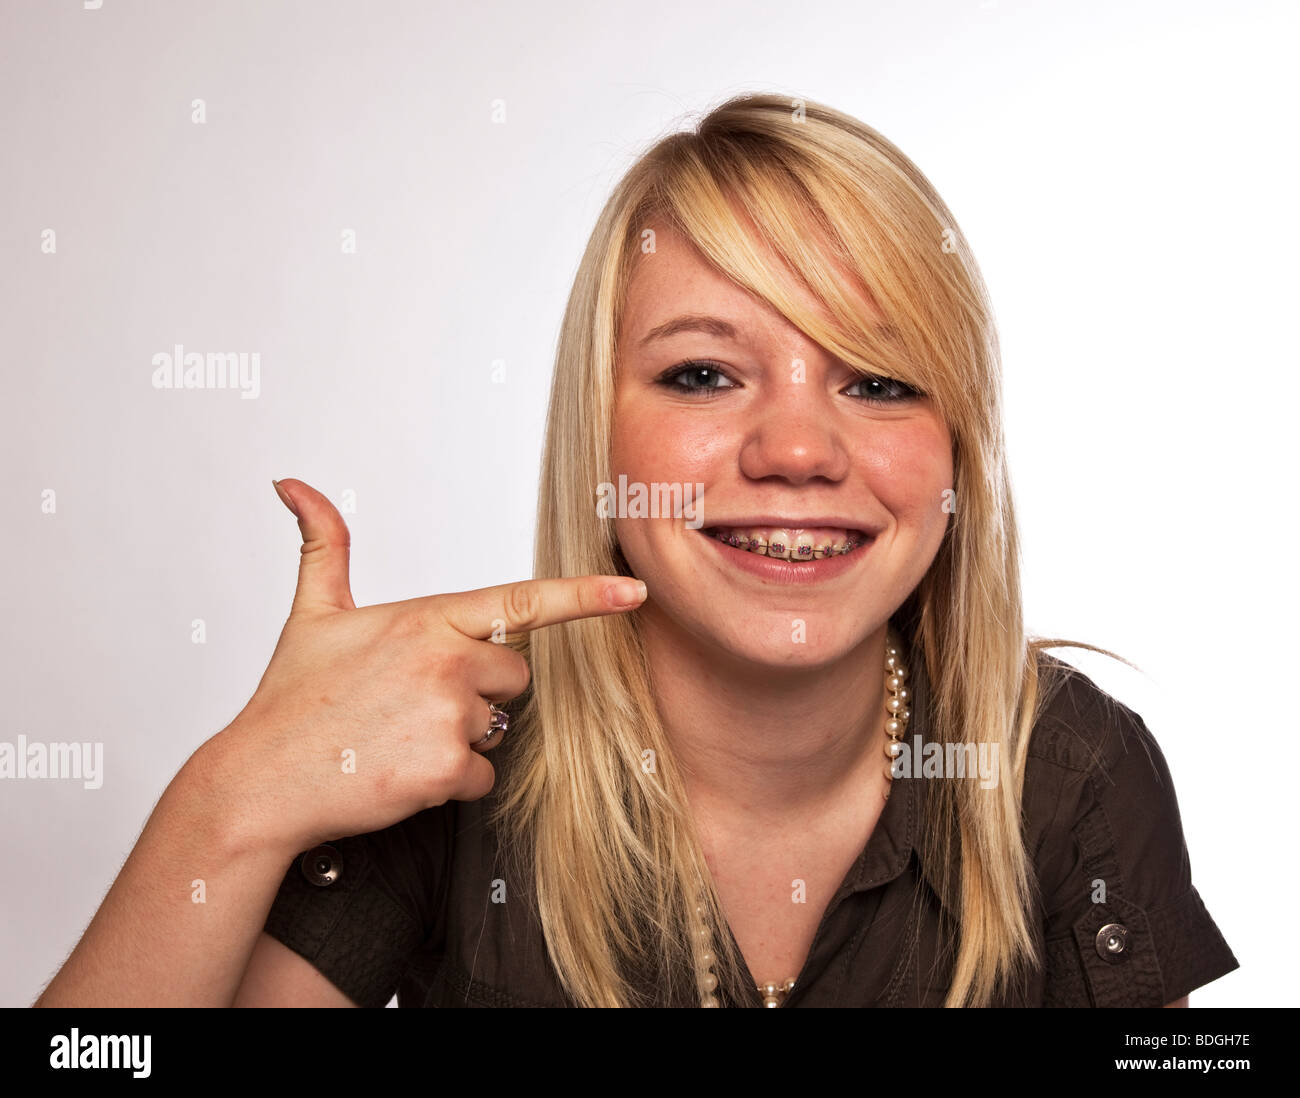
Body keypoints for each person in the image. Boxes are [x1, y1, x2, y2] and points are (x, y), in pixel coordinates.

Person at [34, 93, 1237, 1008]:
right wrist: (234, 794)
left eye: (878, 379)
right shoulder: (448, 770)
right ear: (595, 433)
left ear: (956, 453)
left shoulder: (1068, 770)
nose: (798, 448)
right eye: (703, 373)